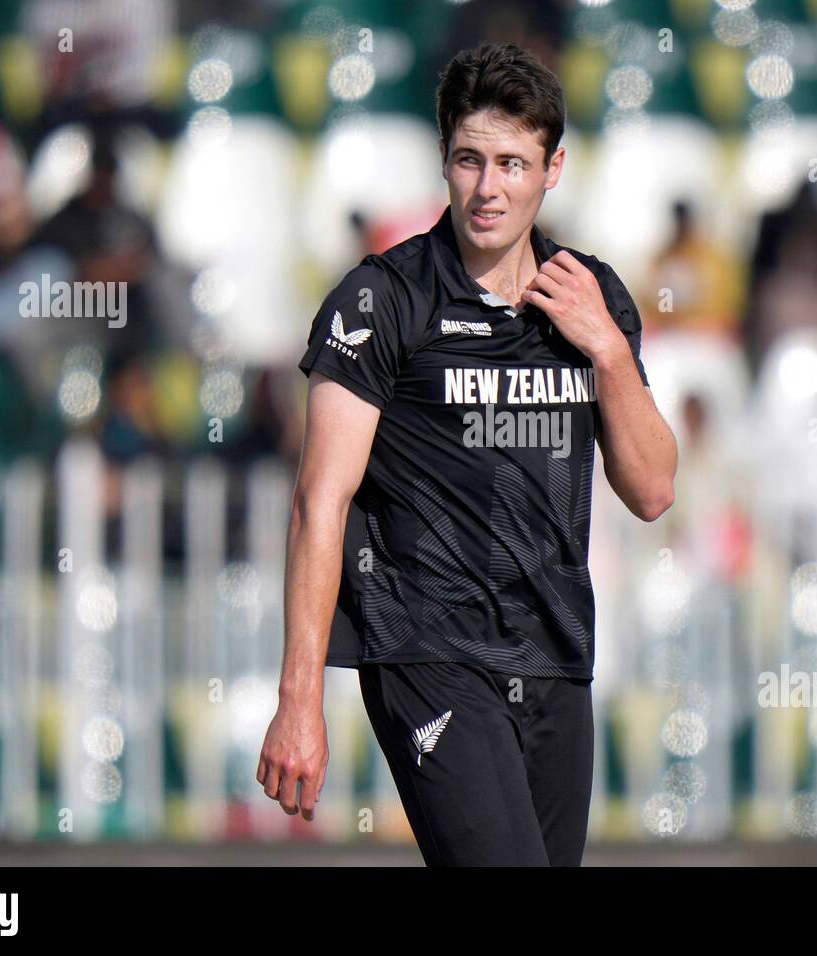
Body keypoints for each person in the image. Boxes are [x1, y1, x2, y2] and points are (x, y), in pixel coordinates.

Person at [256, 41, 677, 866]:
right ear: (443, 159)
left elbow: (655, 488)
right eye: (470, 160)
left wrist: (610, 354)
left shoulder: (590, 297)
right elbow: (319, 503)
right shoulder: (382, 300)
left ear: (553, 168)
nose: (490, 189)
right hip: (428, 651)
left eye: (514, 164)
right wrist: (298, 698)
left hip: (556, 653)